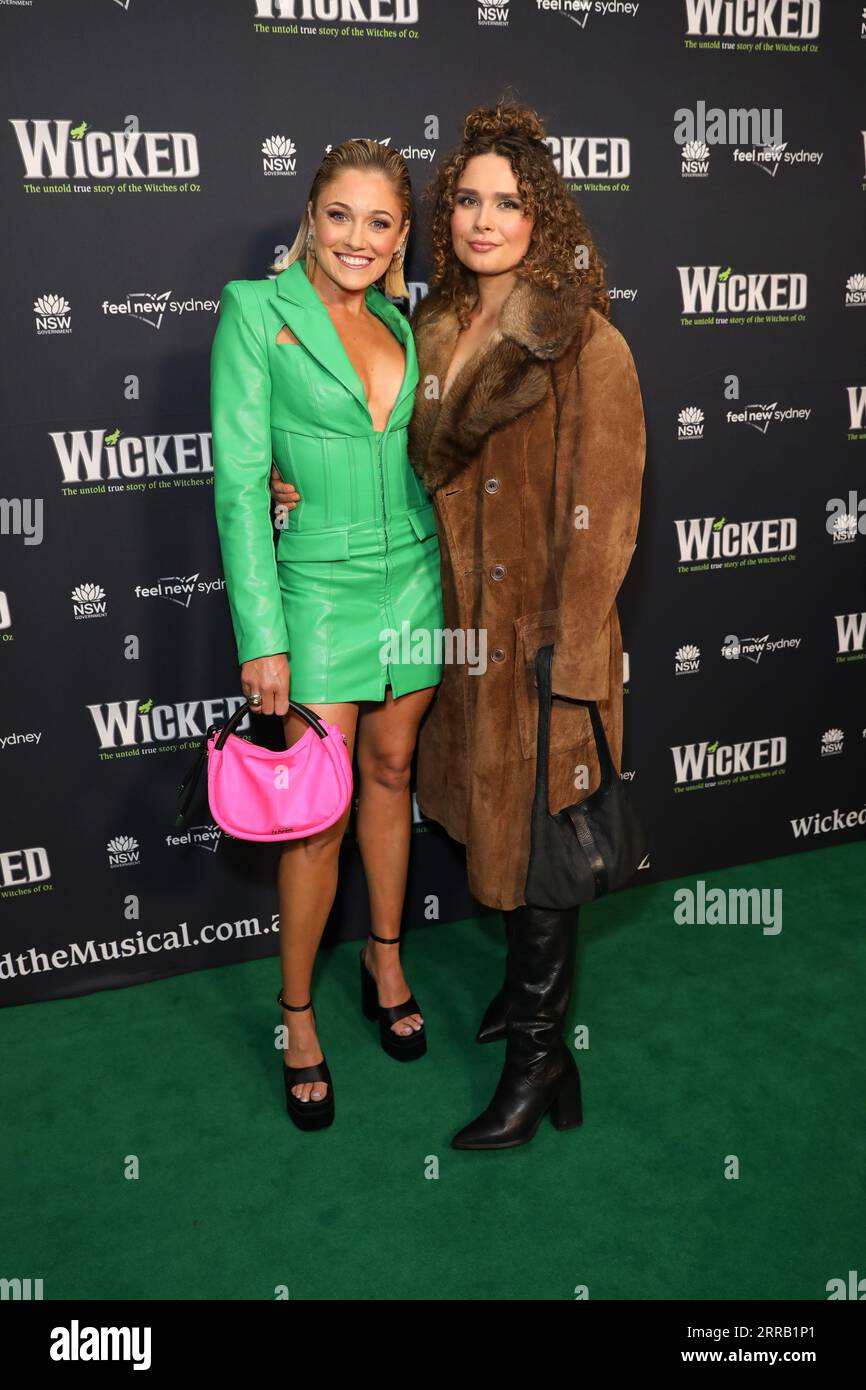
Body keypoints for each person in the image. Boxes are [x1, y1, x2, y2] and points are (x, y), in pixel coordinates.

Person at [270, 102, 646, 1150]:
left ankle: (536, 1061)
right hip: (448, 635)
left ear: (542, 216)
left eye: (508, 203)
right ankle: (529, 1021)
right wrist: (282, 472)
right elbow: (376, 445)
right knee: (492, 834)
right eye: (468, 201)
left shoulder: (584, 343)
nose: (484, 220)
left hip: (536, 648)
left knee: (542, 848)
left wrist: (563, 663)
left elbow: (606, 520)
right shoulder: (425, 326)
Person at [210, 139, 444, 1133]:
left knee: (394, 773)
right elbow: (234, 482)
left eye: (380, 222)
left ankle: (383, 954)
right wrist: (261, 638)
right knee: (318, 815)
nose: (357, 238)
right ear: (311, 213)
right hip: (312, 587)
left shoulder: (402, 319)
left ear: (400, 238)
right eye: (339, 215)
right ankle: (296, 1015)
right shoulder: (254, 313)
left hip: (413, 573)